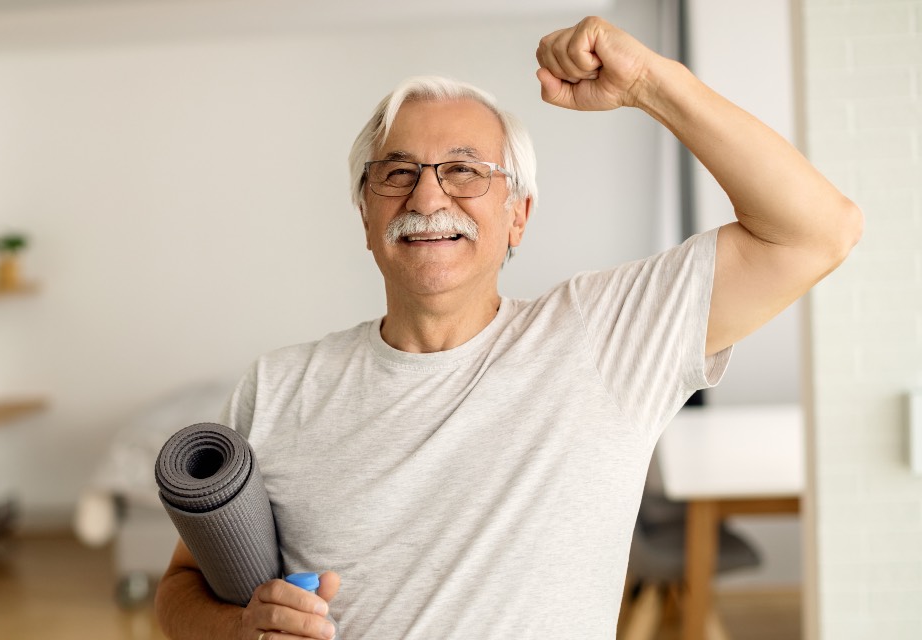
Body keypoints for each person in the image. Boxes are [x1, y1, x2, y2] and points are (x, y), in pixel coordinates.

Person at [154, 16, 862, 640]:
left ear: (518, 215)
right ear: (365, 214)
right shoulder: (277, 387)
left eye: (465, 171)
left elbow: (818, 231)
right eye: (396, 173)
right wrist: (240, 628)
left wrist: (650, 81)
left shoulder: (604, 339)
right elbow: (179, 593)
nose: (427, 195)